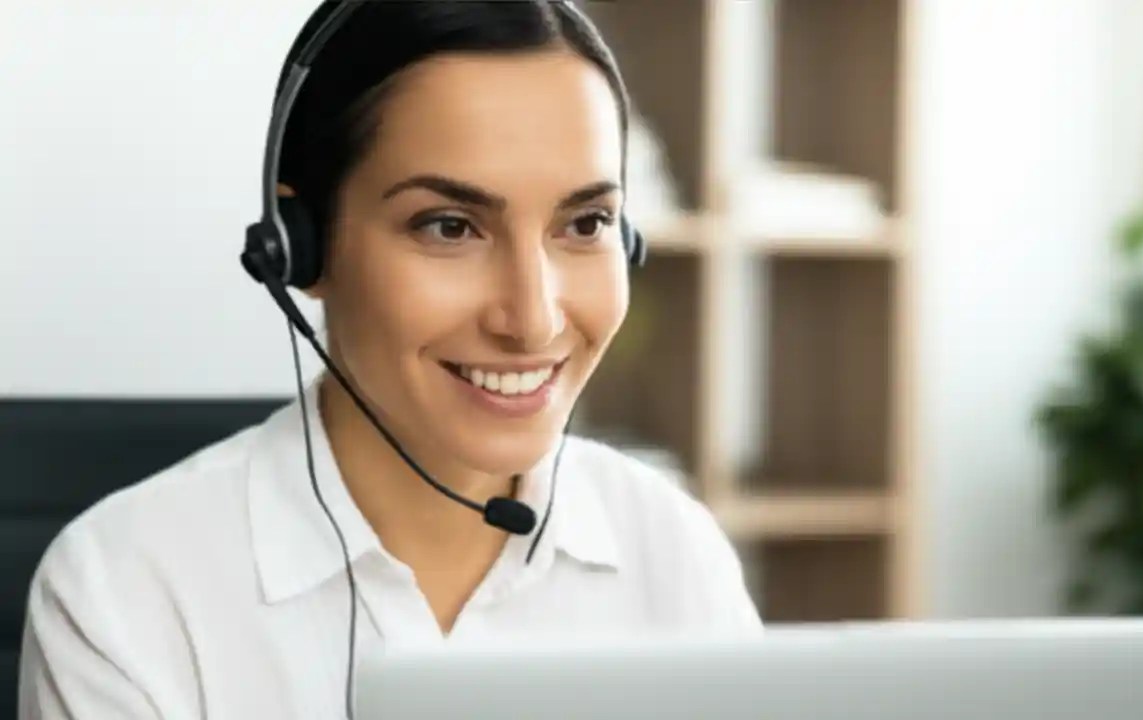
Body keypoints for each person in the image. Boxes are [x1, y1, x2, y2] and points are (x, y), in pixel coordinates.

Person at [17, 2, 762, 718]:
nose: (531, 319)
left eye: (586, 222)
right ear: (298, 243)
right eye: (449, 227)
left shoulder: (671, 551)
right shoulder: (127, 591)